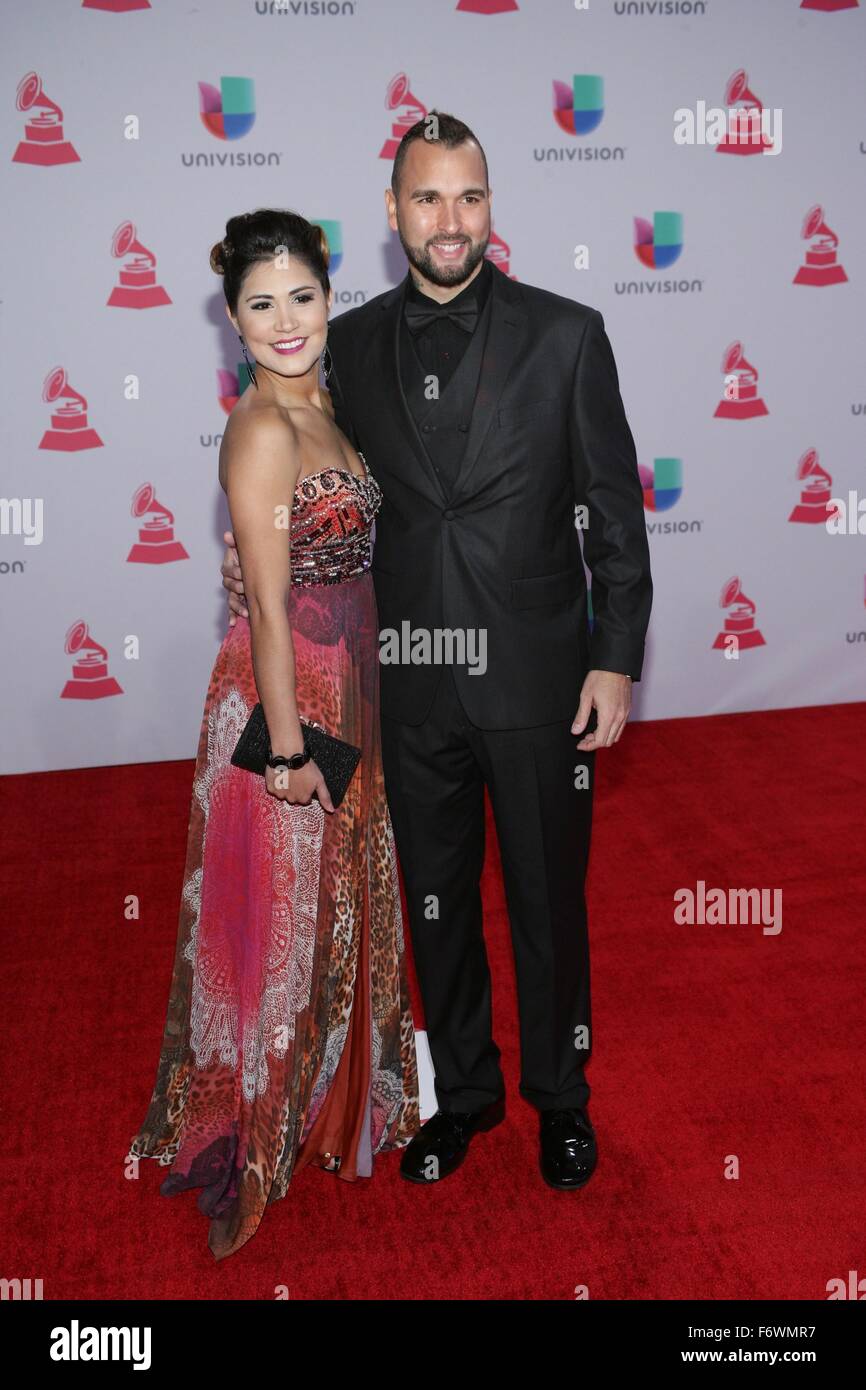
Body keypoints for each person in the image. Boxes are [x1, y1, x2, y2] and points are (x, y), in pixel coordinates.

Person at [221, 115, 653, 1191]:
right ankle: (464, 1097)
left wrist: (614, 656)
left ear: (490, 205)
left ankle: (562, 1097)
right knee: (437, 902)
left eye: (468, 197)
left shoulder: (568, 335)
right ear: (390, 212)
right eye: (426, 198)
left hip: (541, 678)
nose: (448, 221)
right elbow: (302, 480)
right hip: (405, 686)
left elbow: (613, 509)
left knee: (550, 904)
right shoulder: (348, 350)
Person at [127, 209, 419, 1261]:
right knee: (282, 908)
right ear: (232, 318)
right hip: (283, 693)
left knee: (332, 895)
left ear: (328, 297)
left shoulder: (325, 408)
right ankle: (264, 1114)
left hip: (351, 680)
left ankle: (328, 1100)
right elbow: (259, 595)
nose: (286, 320)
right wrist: (288, 749)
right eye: (262, 303)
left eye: (302, 295)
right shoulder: (260, 426)